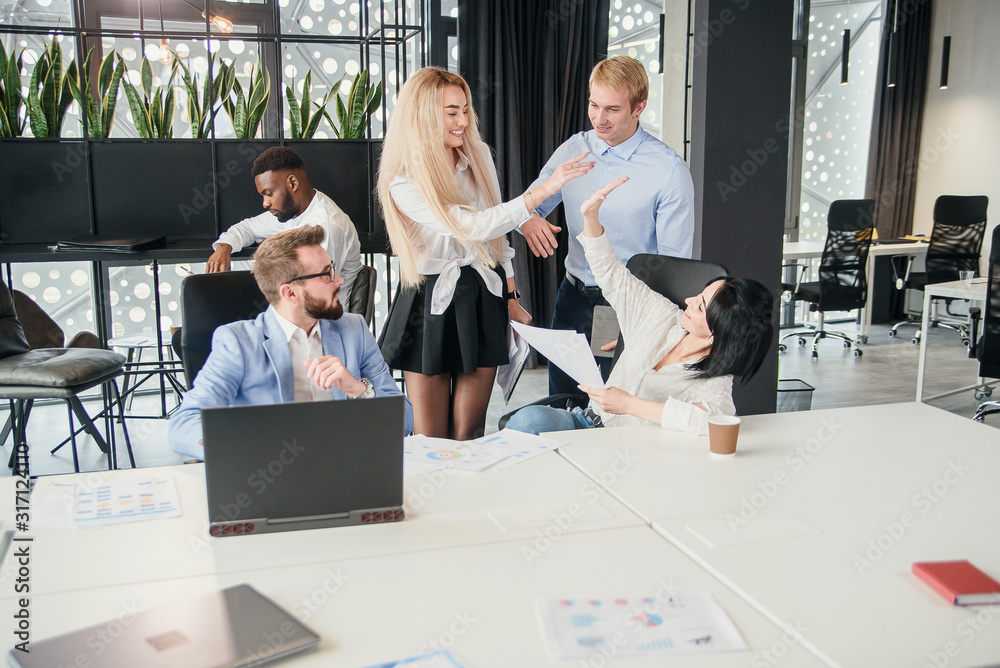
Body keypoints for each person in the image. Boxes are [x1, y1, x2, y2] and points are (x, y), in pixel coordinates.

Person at [376, 67, 591, 440]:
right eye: (452, 112)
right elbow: (469, 225)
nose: (463, 121)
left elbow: (495, 238)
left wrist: (510, 297)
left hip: (482, 293)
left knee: (470, 432)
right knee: (431, 438)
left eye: (465, 110)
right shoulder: (403, 179)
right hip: (429, 301)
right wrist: (540, 193)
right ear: (424, 115)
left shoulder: (478, 158)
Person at [506, 178, 773, 436]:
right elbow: (612, 276)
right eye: (699, 295)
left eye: (701, 307)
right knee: (528, 420)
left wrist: (630, 405)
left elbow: (712, 421)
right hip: (587, 422)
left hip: (629, 450)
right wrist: (590, 218)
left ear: (718, 332)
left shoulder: (714, 381)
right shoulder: (663, 315)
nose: (690, 301)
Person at [519, 55, 696, 396]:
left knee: (607, 412)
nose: (599, 119)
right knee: (561, 402)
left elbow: (675, 267)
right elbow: (528, 203)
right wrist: (528, 220)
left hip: (626, 305)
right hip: (570, 298)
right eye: (593, 105)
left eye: (612, 109)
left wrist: (642, 328)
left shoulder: (669, 171)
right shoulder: (574, 149)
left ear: (638, 107)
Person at [169, 225, 412, 460]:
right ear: (290, 293)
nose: (339, 280)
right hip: (271, 478)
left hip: (349, 467)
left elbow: (406, 420)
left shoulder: (353, 329)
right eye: (327, 273)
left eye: (334, 269)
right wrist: (246, 449)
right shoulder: (238, 342)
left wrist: (357, 389)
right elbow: (184, 424)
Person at [206, 146, 363, 306]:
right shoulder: (290, 212)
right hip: (297, 313)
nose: (265, 203)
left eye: (269, 193)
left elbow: (315, 296)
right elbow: (248, 228)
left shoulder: (326, 226)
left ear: (293, 183)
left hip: (324, 324)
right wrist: (224, 247)